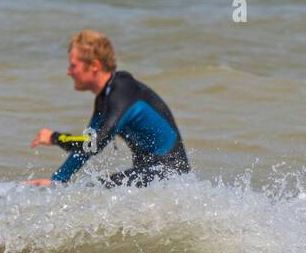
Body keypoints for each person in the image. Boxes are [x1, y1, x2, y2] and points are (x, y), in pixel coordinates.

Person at [29, 30, 190, 187]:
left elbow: (95, 143)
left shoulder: (123, 91)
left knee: (94, 189)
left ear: (94, 65)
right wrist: (57, 180)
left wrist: (55, 138)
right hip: (152, 174)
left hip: (169, 175)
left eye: (73, 65)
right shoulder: (105, 98)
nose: (68, 72)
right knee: (92, 189)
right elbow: (87, 148)